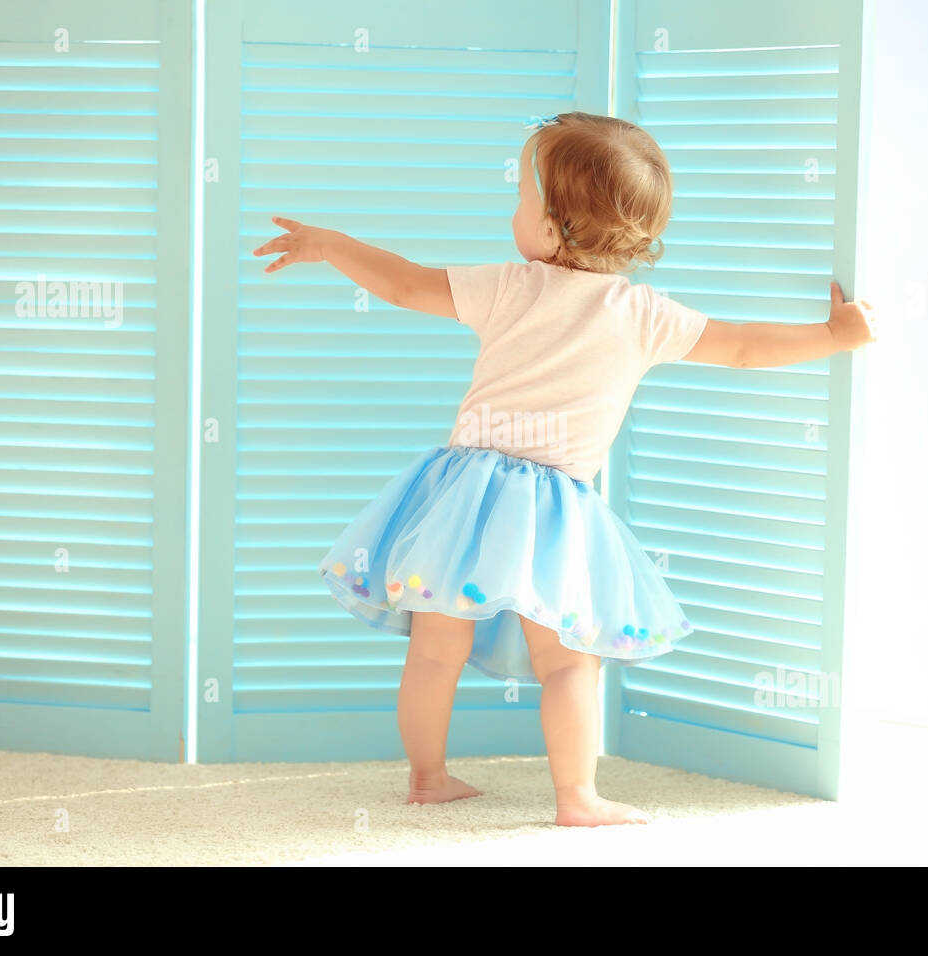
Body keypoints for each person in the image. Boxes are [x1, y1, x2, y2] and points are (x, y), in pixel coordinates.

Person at [252, 111, 876, 827]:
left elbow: (402, 285)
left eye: (521, 197)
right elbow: (740, 347)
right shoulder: (644, 314)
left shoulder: (509, 286)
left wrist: (331, 244)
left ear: (552, 229)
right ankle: (576, 797)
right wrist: (834, 335)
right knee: (570, 662)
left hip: (463, 497)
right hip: (555, 513)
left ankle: (427, 777)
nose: (511, 211)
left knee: (434, 650)